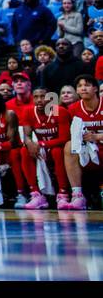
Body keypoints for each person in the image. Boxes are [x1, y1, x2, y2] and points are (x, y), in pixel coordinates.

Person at [19, 85, 70, 209]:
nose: (39, 100)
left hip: (57, 147)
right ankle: (36, 194)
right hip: (41, 148)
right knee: (24, 151)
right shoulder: (28, 111)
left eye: (43, 96)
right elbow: (26, 135)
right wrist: (29, 143)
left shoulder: (59, 111)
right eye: (36, 97)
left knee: (57, 152)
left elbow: (65, 138)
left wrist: (41, 144)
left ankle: (63, 194)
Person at [61, 72, 103, 210]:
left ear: (96, 88)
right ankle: (77, 195)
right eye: (79, 86)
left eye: (87, 85)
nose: (83, 88)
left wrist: (98, 137)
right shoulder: (72, 108)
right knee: (69, 146)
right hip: (87, 151)